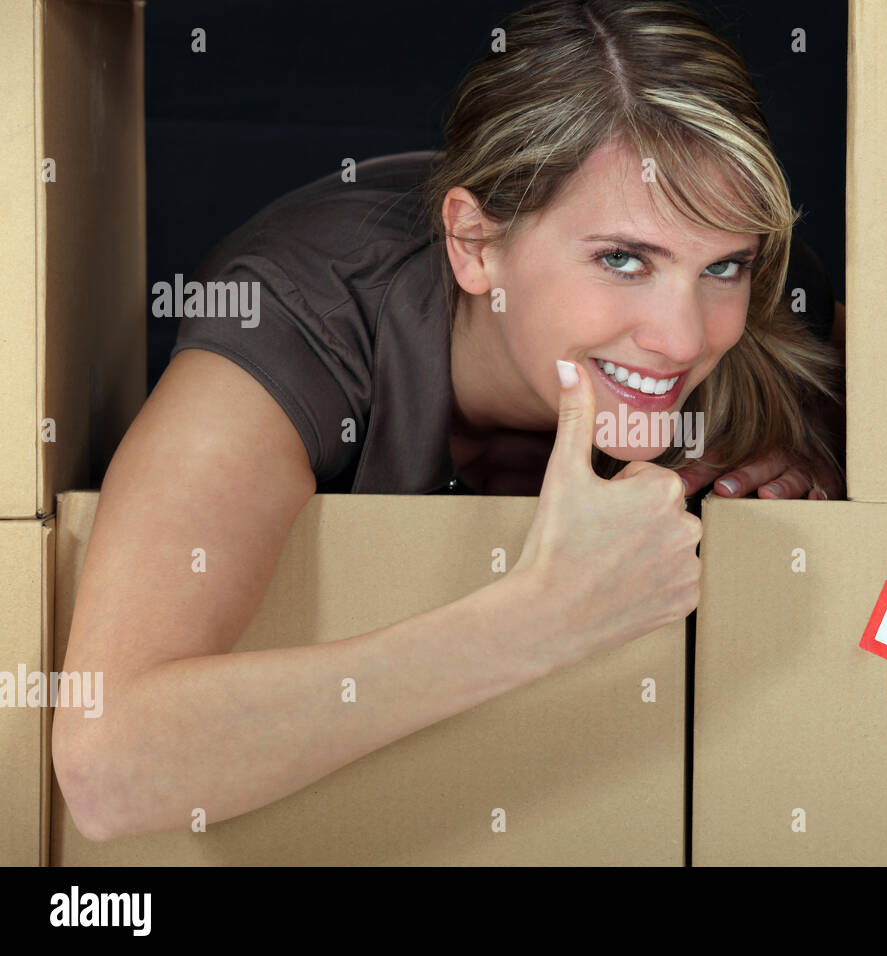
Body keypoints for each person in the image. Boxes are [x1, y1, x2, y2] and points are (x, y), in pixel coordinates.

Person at [52, 0, 846, 842]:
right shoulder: (294, 317)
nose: (684, 336)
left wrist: (818, 453)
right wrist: (545, 617)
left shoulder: (770, 320)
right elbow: (110, 765)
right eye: (622, 260)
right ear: (473, 244)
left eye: (721, 265)